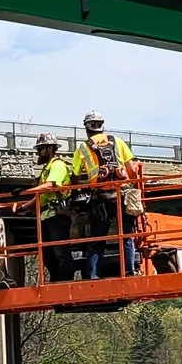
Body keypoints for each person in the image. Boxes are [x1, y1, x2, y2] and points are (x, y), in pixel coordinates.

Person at [72, 112, 139, 278]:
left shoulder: (82, 148)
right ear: (103, 126)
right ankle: (129, 271)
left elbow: (74, 176)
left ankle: (93, 275)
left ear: (86, 128)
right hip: (122, 193)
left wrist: (77, 190)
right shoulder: (118, 141)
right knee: (127, 236)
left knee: (97, 239)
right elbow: (132, 169)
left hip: (100, 197)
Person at [28, 131, 72, 284]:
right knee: (47, 254)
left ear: (50, 149)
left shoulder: (57, 165)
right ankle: (55, 281)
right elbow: (41, 196)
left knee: (60, 252)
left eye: (41, 149)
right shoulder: (47, 168)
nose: (38, 152)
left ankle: (65, 282)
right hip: (46, 215)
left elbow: (49, 185)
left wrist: (26, 192)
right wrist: (24, 206)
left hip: (57, 214)